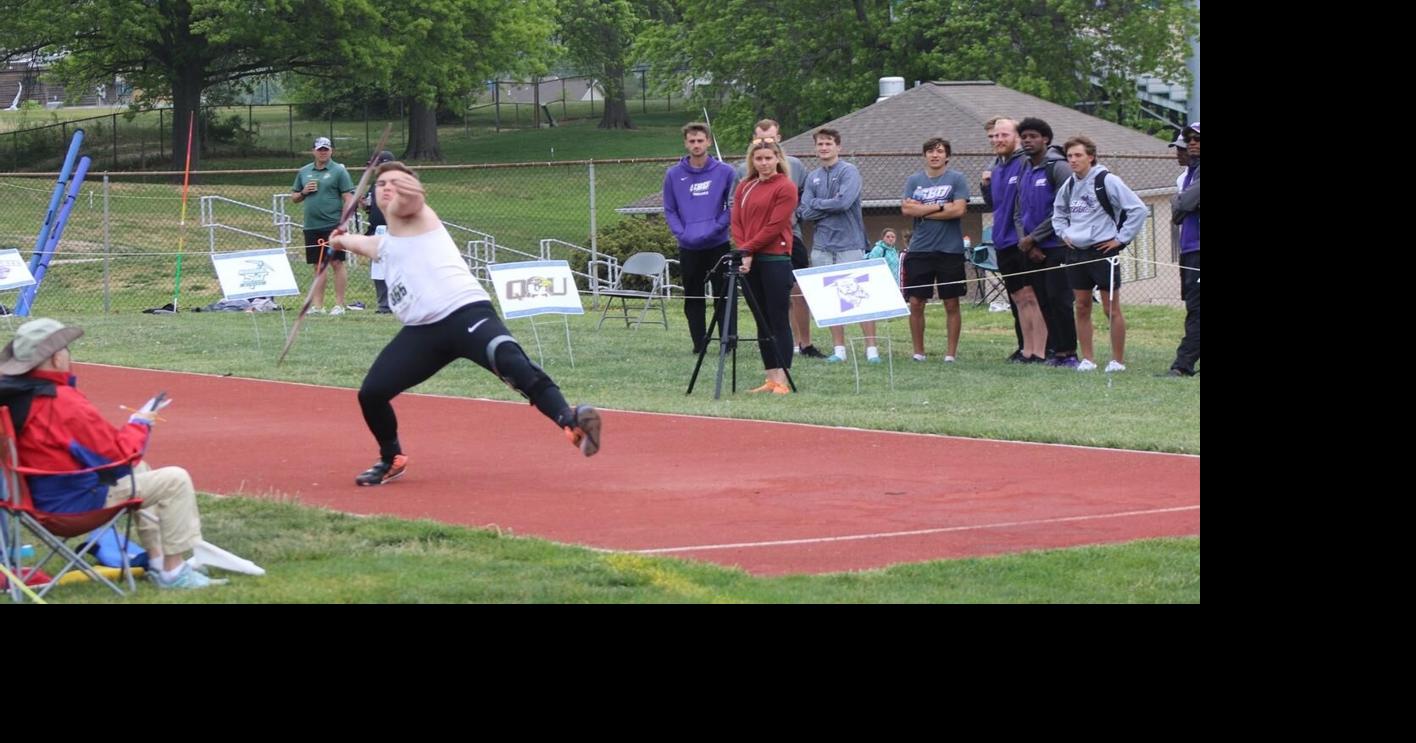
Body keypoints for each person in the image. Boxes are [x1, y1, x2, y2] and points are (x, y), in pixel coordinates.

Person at [330, 162, 602, 486]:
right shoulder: (385, 243)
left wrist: (404, 188)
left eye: (396, 182)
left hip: (466, 313)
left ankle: (571, 422)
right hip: (423, 333)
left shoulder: (419, 216)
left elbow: (409, 201)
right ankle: (392, 458)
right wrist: (339, 241)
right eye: (381, 184)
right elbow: (358, 244)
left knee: (511, 361)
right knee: (371, 393)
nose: (388, 187)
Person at [0, 318, 218, 590]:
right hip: (71, 507)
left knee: (141, 471)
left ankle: (158, 560)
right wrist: (140, 422)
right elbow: (119, 457)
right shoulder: (60, 401)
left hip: (32, 501)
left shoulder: (12, 397)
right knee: (175, 479)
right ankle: (173, 572)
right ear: (57, 358)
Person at [1051, 136, 1149, 373]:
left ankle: (1117, 361)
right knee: (1082, 306)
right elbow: (1058, 213)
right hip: (1076, 253)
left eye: (1078, 155)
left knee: (1110, 308)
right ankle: (1088, 359)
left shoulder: (1108, 180)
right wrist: (1064, 233)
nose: (1073, 160)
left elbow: (1138, 209)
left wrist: (1121, 239)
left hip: (1102, 251)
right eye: (1070, 156)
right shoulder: (1070, 184)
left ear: (1091, 157)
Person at [737, 119, 824, 358]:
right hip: (751, 248)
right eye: (760, 142)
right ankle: (776, 356)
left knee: (796, 291)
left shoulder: (794, 167)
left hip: (786, 240)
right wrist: (745, 249)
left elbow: (803, 198)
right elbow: (737, 215)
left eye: (771, 141)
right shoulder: (743, 178)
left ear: (779, 140)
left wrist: (795, 216)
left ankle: (804, 343)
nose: (764, 159)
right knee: (770, 308)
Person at [797, 128, 880, 364]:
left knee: (859, 298)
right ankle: (839, 350)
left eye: (828, 143)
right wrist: (823, 204)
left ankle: (871, 350)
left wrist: (817, 204)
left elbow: (844, 202)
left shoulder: (849, 171)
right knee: (831, 300)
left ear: (838, 147)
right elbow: (804, 210)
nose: (824, 148)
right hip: (822, 246)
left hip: (850, 244)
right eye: (820, 144)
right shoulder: (812, 177)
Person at [730, 140, 799, 394]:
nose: (764, 163)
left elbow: (774, 226)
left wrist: (748, 249)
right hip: (751, 260)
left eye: (768, 158)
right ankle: (770, 377)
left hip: (775, 259)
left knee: (778, 319)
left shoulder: (786, 187)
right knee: (762, 321)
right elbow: (736, 220)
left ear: (778, 159)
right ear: (753, 161)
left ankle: (782, 378)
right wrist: (744, 250)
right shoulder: (745, 186)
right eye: (759, 159)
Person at [663, 122, 736, 354]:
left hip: (718, 243)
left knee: (723, 294)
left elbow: (732, 206)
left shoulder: (726, 172)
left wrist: (716, 227)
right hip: (688, 246)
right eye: (692, 141)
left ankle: (727, 341)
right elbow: (670, 209)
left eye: (700, 140)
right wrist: (682, 233)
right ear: (686, 143)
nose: (696, 145)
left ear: (709, 142)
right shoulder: (673, 175)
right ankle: (699, 343)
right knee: (693, 296)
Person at [983, 117, 1048, 363]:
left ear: (1017, 137)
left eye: (1004, 135)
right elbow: (994, 204)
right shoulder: (997, 168)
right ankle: (1026, 349)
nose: (998, 140)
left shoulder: (1024, 164)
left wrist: (1031, 240)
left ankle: (1041, 351)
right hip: (1002, 242)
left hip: (1021, 241)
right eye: (994, 136)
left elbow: (1027, 205)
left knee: (1032, 296)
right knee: (1018, 298)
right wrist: (984, 184)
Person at [1015, 117, 1078, 367]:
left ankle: (1069, 352)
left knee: (1060, 300)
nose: (1027, 141)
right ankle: (1054, 350)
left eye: (1032, 136)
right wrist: (1025, 241)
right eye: (1024, 137)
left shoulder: (1058, 167)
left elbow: (1062, 210)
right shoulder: (1024, 168)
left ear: (1046, 140)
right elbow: (1017, 211)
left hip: (1057, 247)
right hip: (1032, 249)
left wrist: (1035, 238)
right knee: (1042, 300)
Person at [900, 138, 970, 362]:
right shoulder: (914, 180)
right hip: (920, 249)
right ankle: (918, 352)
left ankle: (951, 354)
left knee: (951, 302)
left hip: (950, 250)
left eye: (940, 151)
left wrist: (923, 210)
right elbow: (907, 209)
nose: (935, 155)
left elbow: (958, 210)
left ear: (947, 156)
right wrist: (941, 206)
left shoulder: (956, 178)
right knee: (916, 301)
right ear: (924, 156)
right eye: (930, 151)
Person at [291, 136, 355, 315]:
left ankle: (339, 305)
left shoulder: (339, 171)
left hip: (333, 225)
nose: (323, 152)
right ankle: (318, 306)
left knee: (336, 262)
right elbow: (294, 197)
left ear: (331, 151)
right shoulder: (304, 172)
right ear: (313, 151)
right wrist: (304, 192)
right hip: (311, 226)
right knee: (318, 265)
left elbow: (348, 198)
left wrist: (343, 223)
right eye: (320, 149)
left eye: (326, 149)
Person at [1167, 122, 1200, 377]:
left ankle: (1182, 365)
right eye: (1188, 139)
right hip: (1190, 247)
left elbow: (1184, 202)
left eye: (1197, 139)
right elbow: (1178, 212)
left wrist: (1179, 201)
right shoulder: (1190, 172)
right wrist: (1180, 203)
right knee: (1193, 305)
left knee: (1197, 309)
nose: (1191, 143)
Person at [363, 149, 397, 314]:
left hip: (395, 231)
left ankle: (398, 303)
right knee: (379, 270)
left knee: (396, 269)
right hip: (377, 232)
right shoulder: (375, 184)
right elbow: (371, 208)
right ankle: (384, 305)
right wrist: (364, 204)